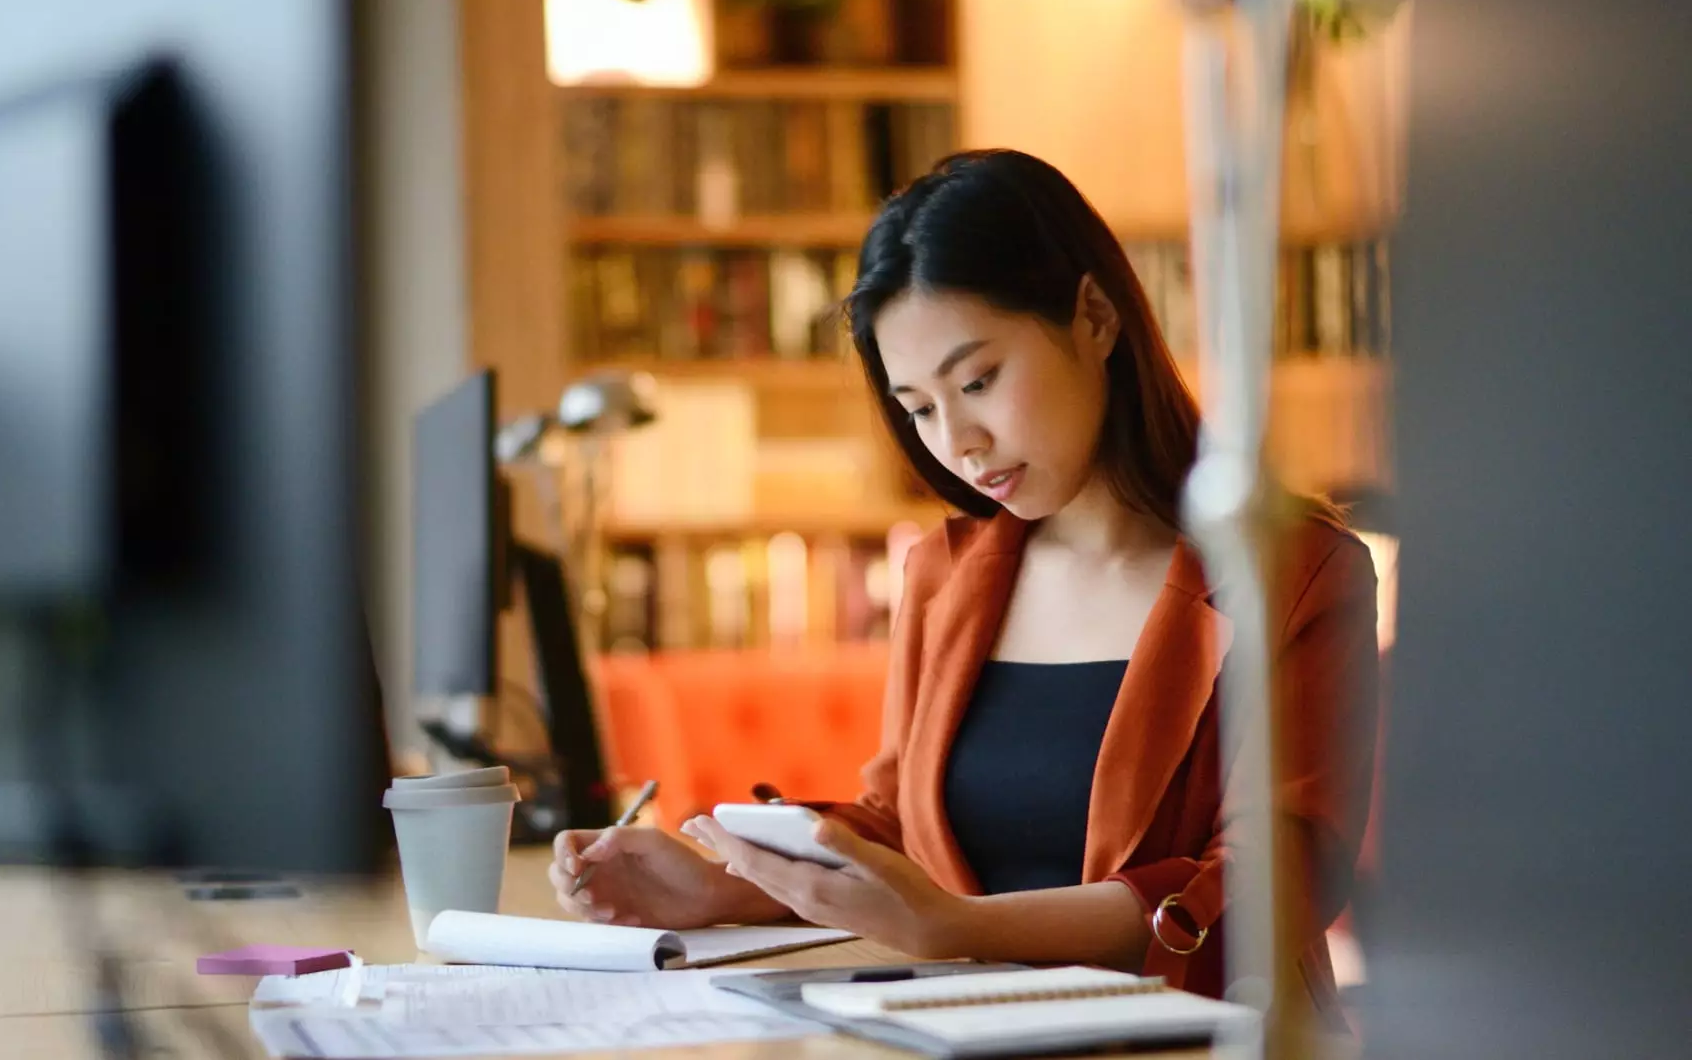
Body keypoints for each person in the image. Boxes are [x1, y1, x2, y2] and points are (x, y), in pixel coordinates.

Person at [548, 149, 1378, 1013]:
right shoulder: (948, 575)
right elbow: (903, 826)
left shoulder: (1295, 572)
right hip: (969, 1031)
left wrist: (960, 930)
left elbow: (1275, 879)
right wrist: (725, 886)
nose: (959, 441)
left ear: (1094, 317)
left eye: (978, 380)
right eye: (918, 407)